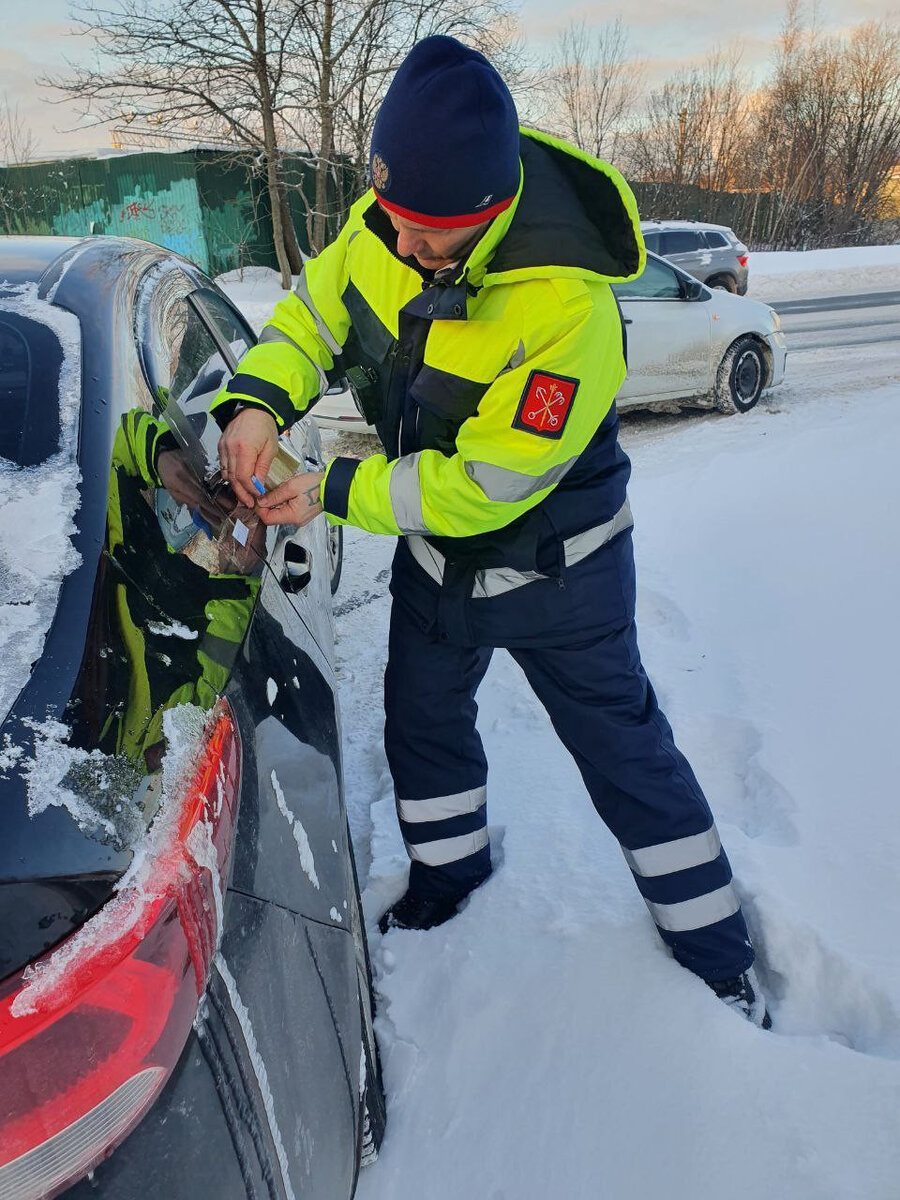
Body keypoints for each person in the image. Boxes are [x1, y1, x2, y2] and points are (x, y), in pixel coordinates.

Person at [212, 36, 771, 1028]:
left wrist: (335, 489)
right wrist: (257, 400)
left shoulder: (567, 312)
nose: (399, 245)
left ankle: (717, 953)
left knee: (628, 759)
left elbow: (487, 485)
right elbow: (312, 317)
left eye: (424, 234)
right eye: (390, 218)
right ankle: (447, 879)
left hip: (566, 579)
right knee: (423, 728)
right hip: (439, 567)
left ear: (485, 213)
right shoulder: (388, 227)